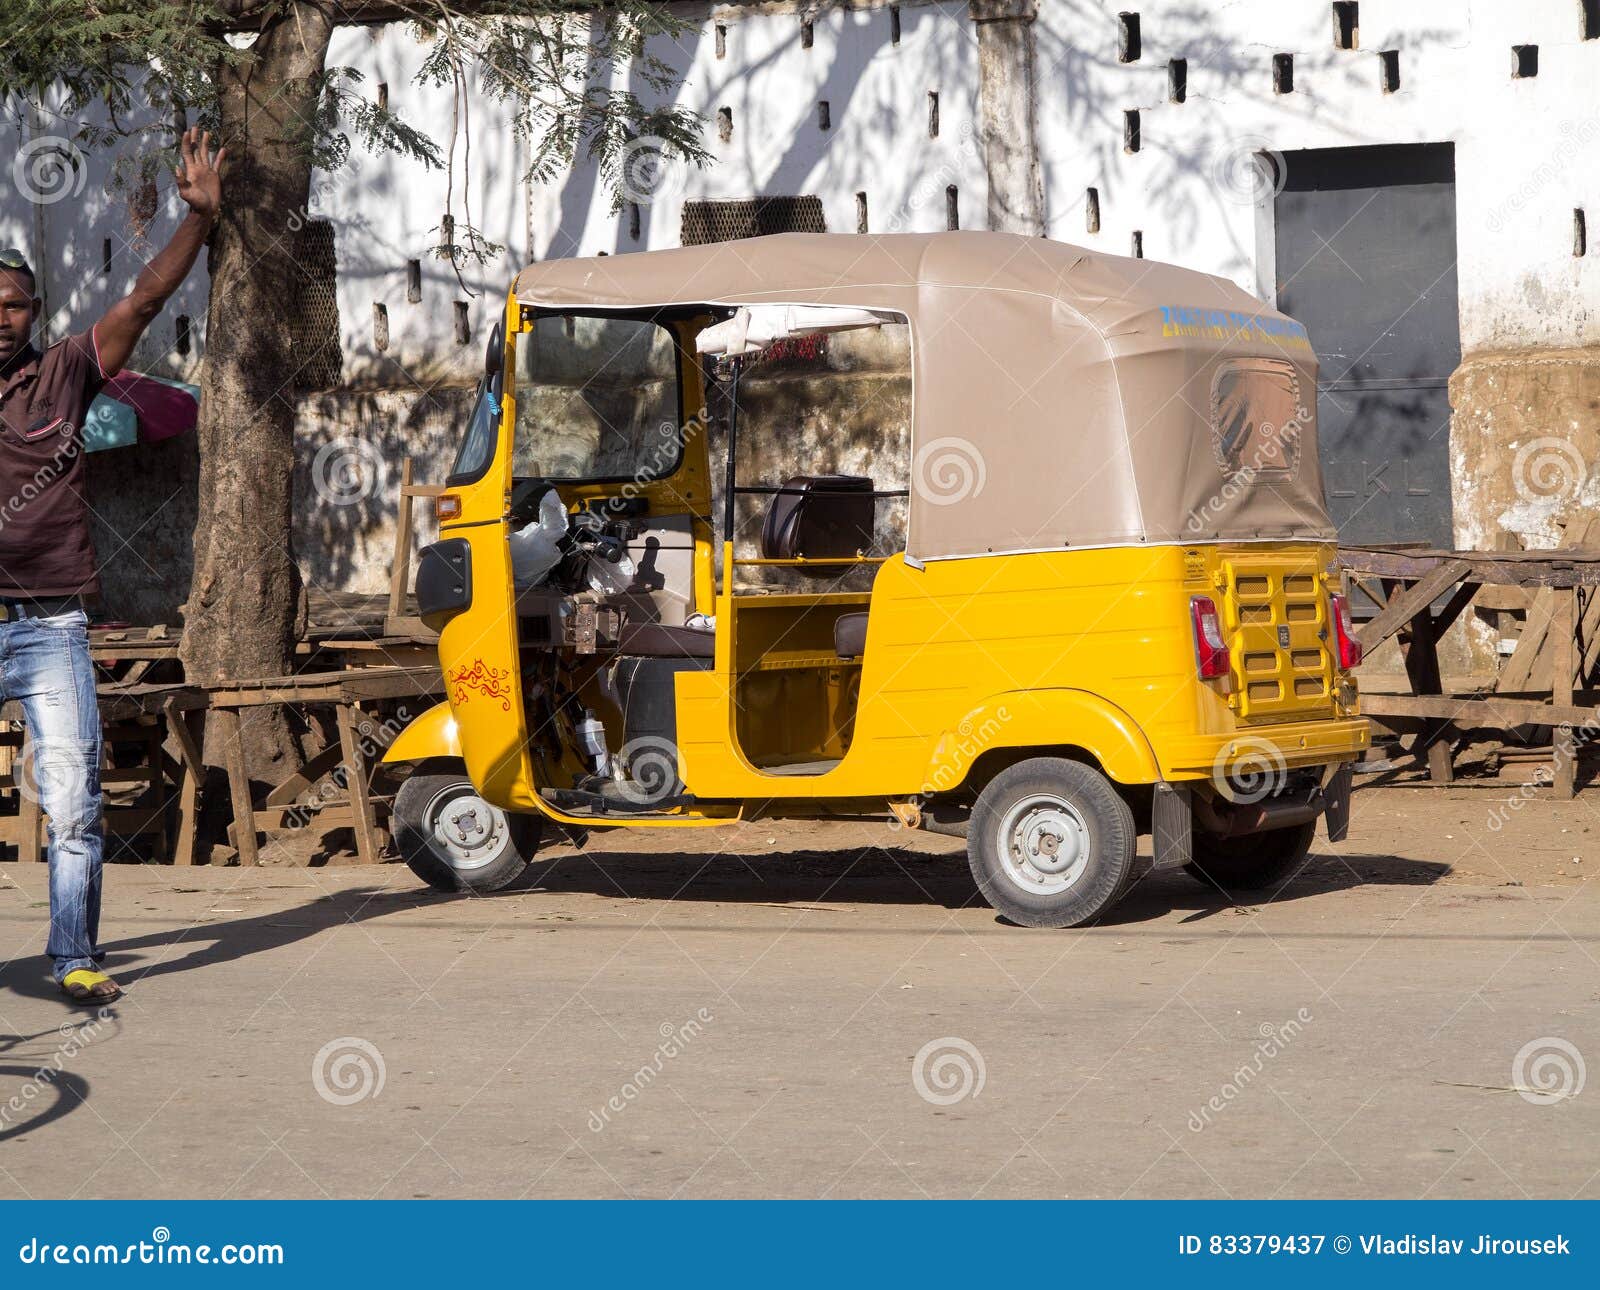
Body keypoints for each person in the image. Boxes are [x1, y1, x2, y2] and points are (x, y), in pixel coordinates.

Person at [0, 127, 224, 1004]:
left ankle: (73, 957)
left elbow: (140, 299)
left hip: (50, 626)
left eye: (12, 304)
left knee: (75, 804)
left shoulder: (61, 376)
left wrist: (197, 222)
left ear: (33, 314)